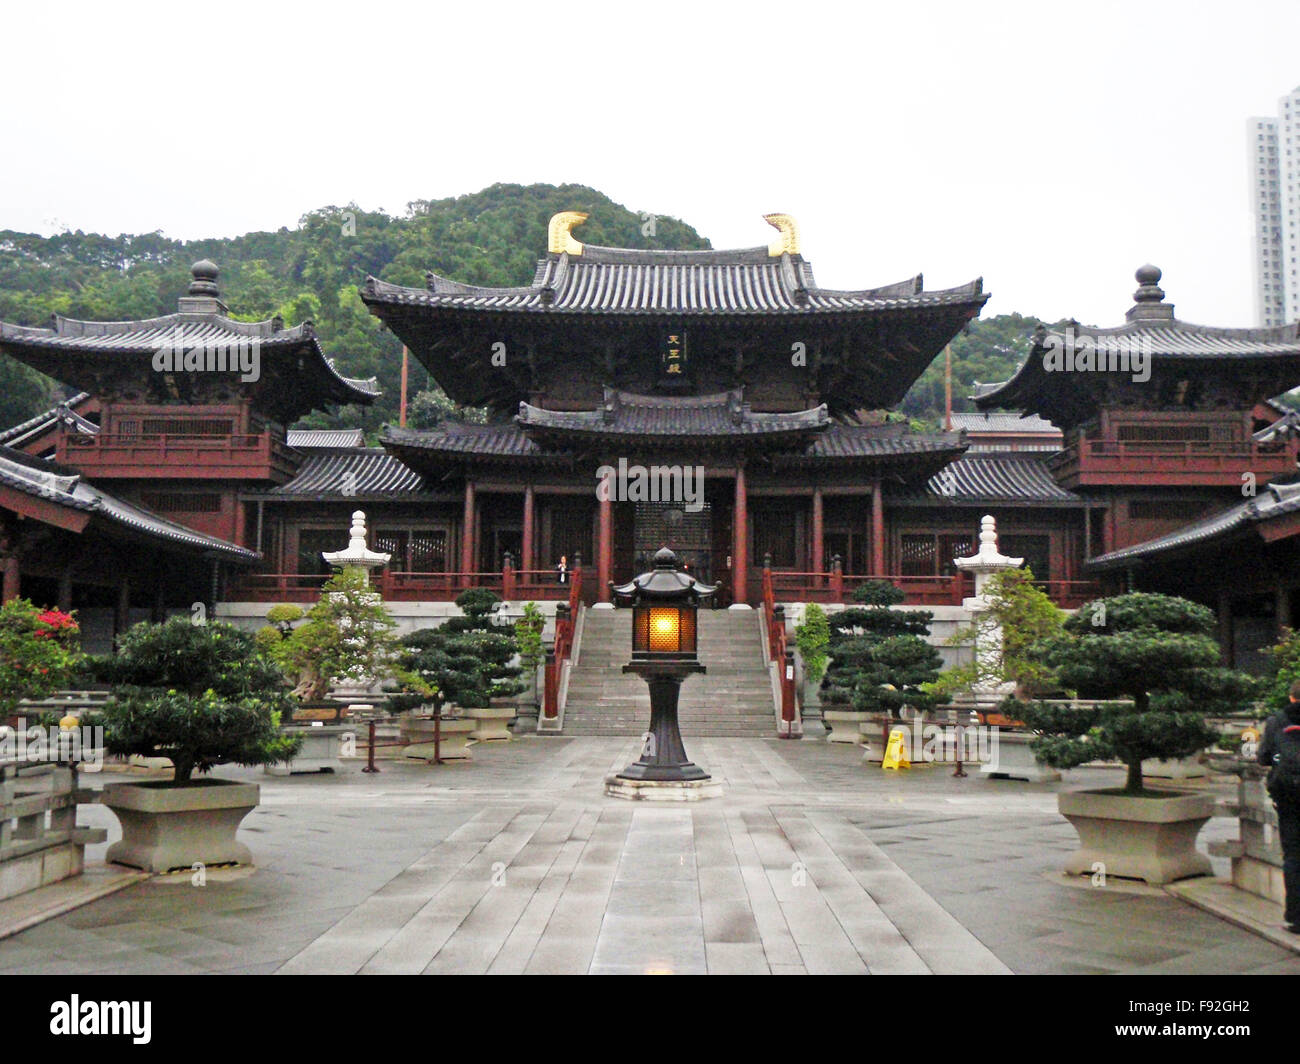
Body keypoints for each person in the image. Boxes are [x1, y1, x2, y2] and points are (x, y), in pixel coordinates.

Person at [1257, 678, 1300, 933]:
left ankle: (1295, 917)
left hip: (1288, 797)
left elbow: (1264, 757)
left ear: (1291, 697)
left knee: (1293, 855)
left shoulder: (1277, 720)